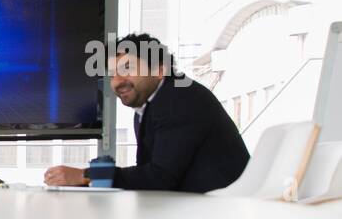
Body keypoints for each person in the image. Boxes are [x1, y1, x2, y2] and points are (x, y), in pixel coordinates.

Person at [44, 33, 249, 192]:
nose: (117, 81)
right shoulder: (149, 105)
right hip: (196, 207)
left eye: (127, 69)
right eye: (112, 74)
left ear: (159, 71)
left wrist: (85, 176)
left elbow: (160, 177)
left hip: (216, 213)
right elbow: (149, 171)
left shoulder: (179, 98)